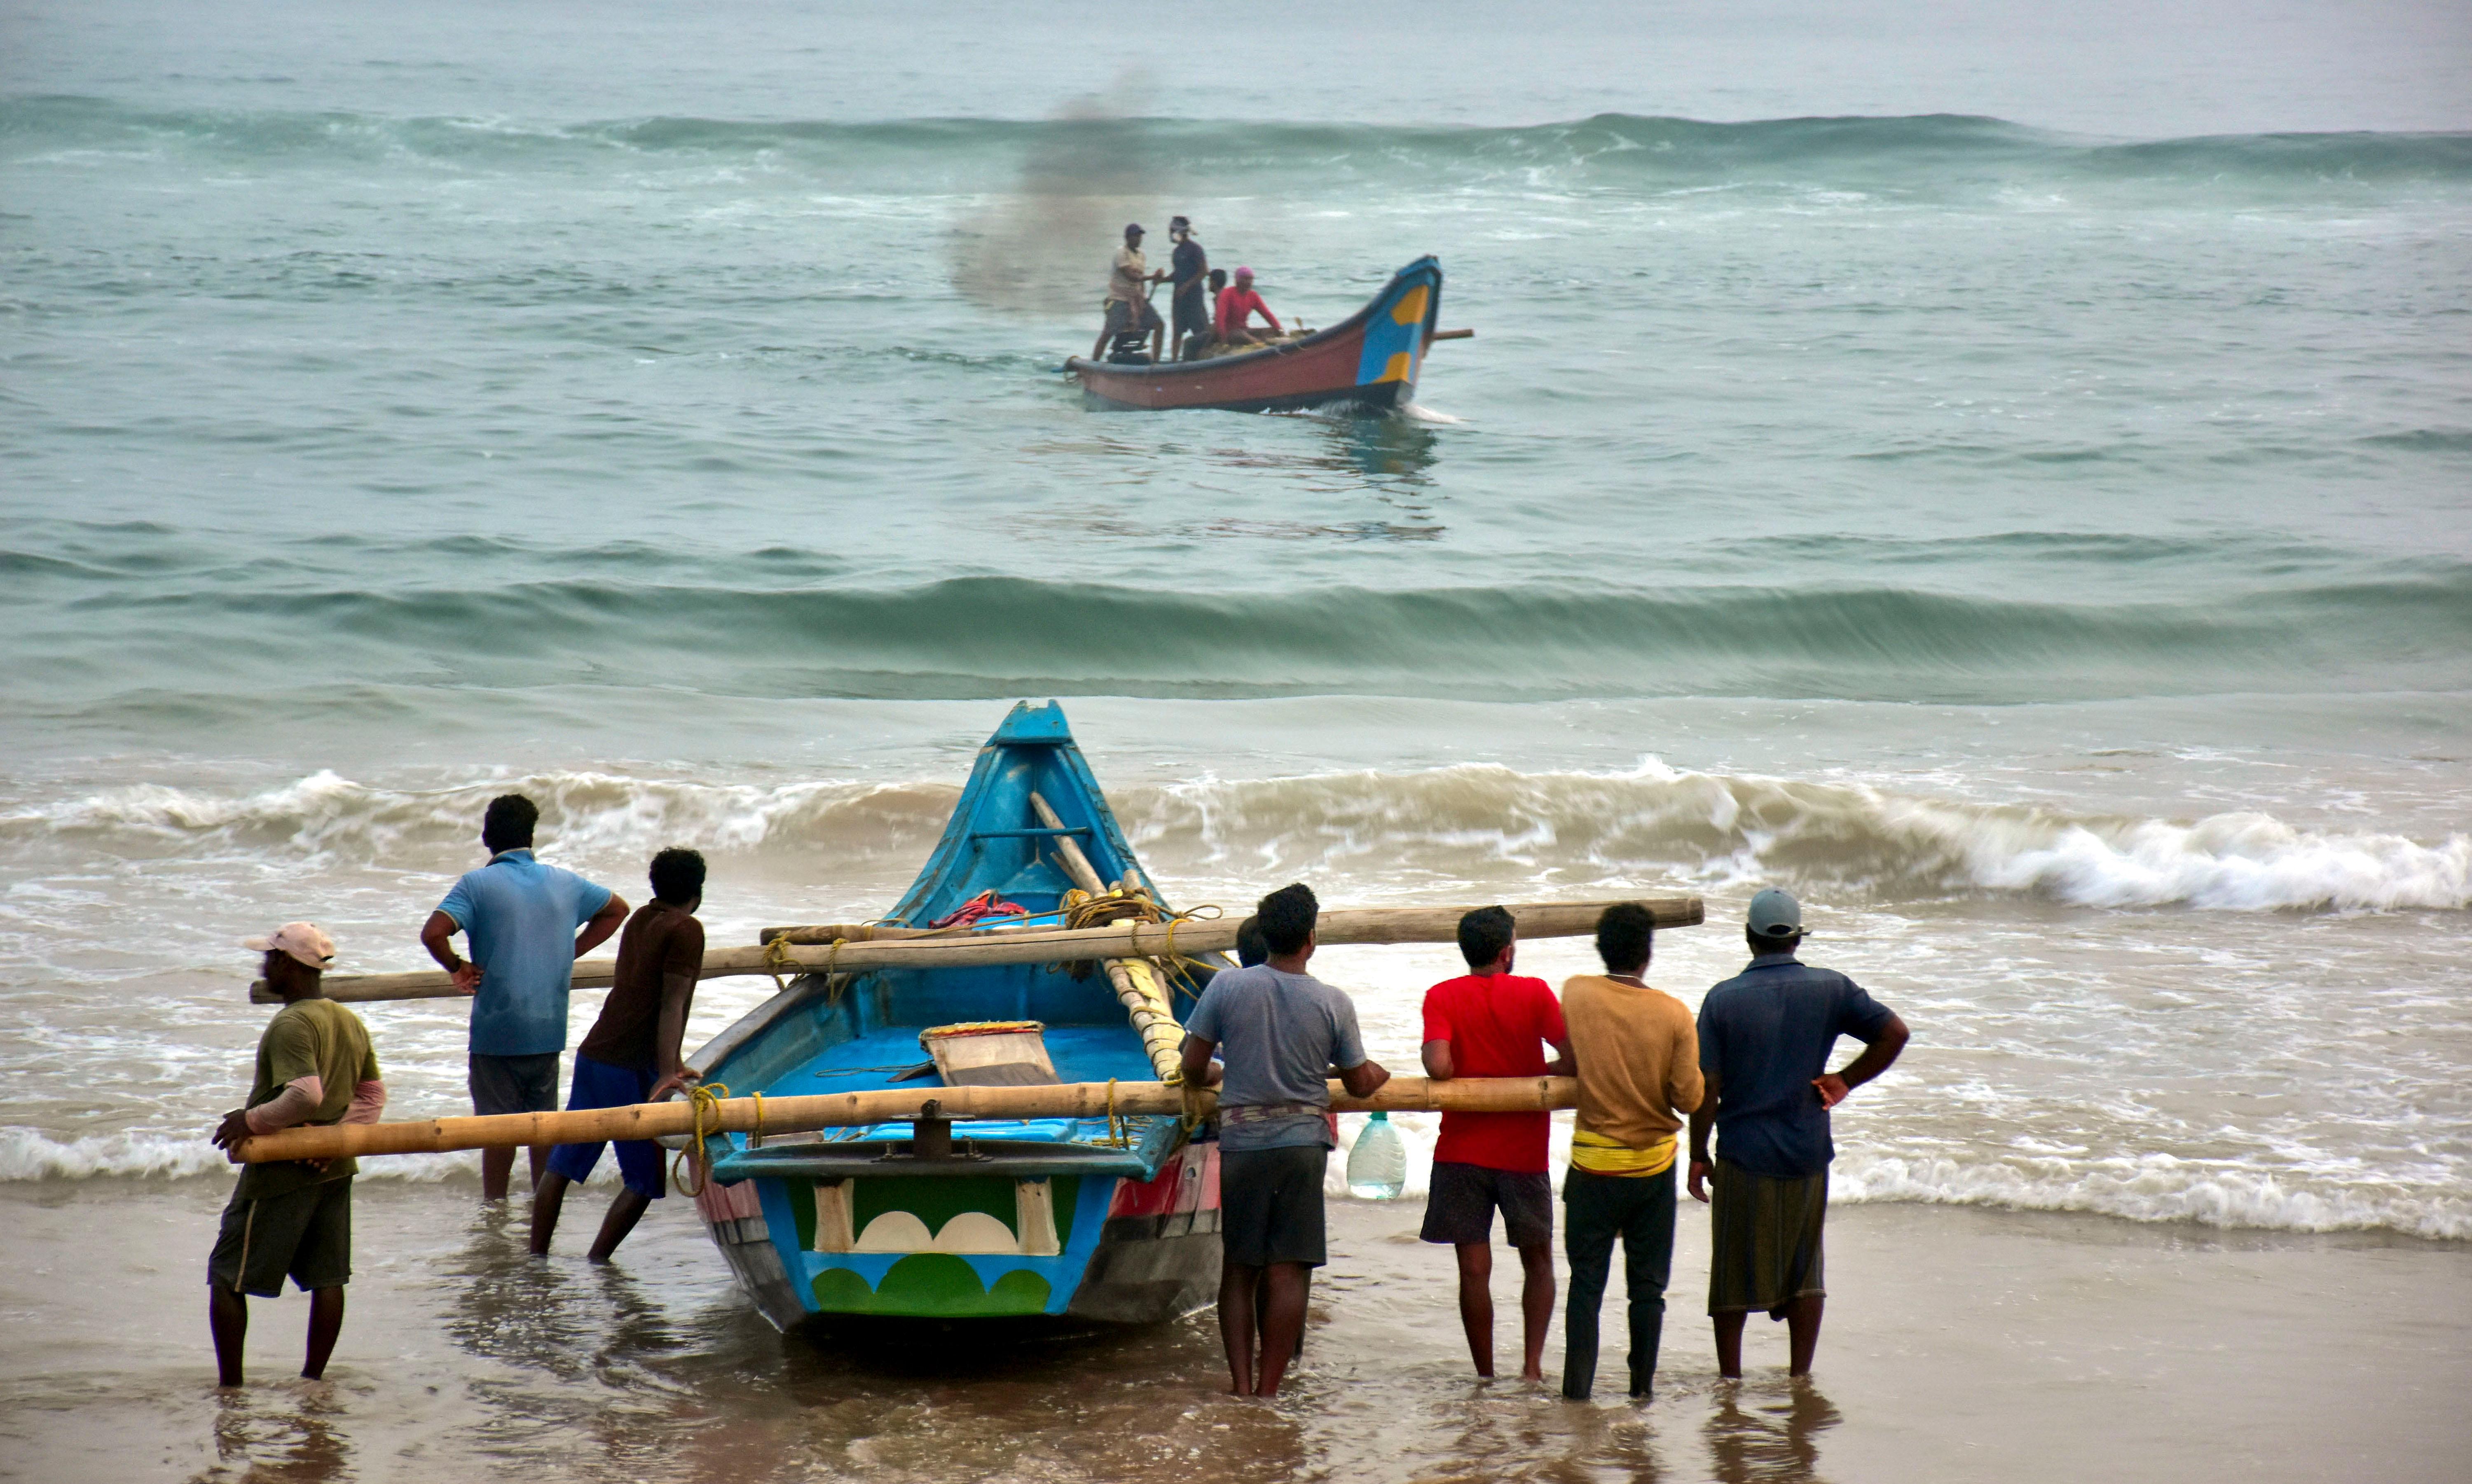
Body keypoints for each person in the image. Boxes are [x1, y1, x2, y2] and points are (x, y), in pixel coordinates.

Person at [1179, 883, 1389, 1398]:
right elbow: (1360, 1082)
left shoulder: (1227, 987)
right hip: (1301, 1146)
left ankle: (1241, 1385)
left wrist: (1216, 1075)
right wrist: (1380, 1074)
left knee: (1239, 1269)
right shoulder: (1332, 1001)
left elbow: (1191, 1066)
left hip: (1243, 1142)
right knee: (1288, 1272)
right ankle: (1270, 1391)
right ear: (1310, 939)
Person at [1688, 889, 1909, 1379]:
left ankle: (1731, 1379)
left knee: (1732, 1271)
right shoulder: (1831, 988)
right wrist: (1846, 1080)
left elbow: (1708, 1086)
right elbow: (1895, 1033)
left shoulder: (1723, 999)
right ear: (1797, 939)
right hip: (1808, 1149)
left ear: (1749, 938)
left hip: (1744, 1152)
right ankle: (1799, 1376)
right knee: (1805, 1269)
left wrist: (1698, 1153)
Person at [420, 794, 627, 1201]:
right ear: (531, 836)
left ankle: (495, 1214)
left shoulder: (476, 884)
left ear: (487, 837)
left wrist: (458, 966)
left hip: (497, 1032)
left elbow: (433, 934)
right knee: (542, 1131)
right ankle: (542, 1213)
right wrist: (569, 951)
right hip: (548, 1028)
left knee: (497, 1134)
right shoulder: (566, 882)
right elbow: (617, 909)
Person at [208, 923, 386, 1387]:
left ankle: (231, 1389)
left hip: (281, 1170)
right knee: (328, 1278)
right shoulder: (347, 1020)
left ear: (288, 965)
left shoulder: (291, 1023)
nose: (263, 965)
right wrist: (333, 1141)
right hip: (334, 1168)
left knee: (228, 1275)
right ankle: (313, 1383)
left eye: (270, 957)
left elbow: (306, 1094)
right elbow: (372, 1096)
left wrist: (250, 1121)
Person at [531, 847, 707, 1261]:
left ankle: (536, 1258)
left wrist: (673, 1062)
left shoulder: (641, 918)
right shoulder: (687, 929)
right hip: (629, 1068)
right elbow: (671, 1003)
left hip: (596, 1056)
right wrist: (667, 1072)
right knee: (645, 1180)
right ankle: (597, 1261)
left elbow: (643, 994)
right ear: (697, 891)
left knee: (562, 1165)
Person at [1419, 905, 1571, 1382]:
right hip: (1523, 1151)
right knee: (1538, 1261)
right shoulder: (1535, 992)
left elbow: (1439, 1067)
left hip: (1461, 1150)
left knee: (1473, 1270)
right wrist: (1536, 1073)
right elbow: (1575, 1057)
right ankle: (1532, 1368)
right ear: (1507, 952)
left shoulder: (1441, 995)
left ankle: (1485, 1374)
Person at [1558, 902, 1703, 1402]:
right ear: (1648, 953)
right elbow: (1689, 1098)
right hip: (1652, 1170)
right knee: (1647, 1291)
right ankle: (1641, 1392)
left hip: (1593, 1166)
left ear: (1601, 948)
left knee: (1585, 1286)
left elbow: (1571, 1056)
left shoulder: (1576, 992)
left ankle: (1577, 1392)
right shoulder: (1674, 1013)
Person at [1090, 221, 1166, 363]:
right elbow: (1131, 276)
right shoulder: (1121, 253)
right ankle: (1094, 363)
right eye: (1136, 236)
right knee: (1108, 332)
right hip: (1119, 299)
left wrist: (1150, 288)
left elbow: (1140, 280)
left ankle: (1156, 363)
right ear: (1128, 238)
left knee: (1159, 325)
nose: (1139, 239)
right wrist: (1152, 277)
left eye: (1140, 236)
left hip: (1137, 299)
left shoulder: (1142, 255)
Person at [1166, 215, 1210, 360]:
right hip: (1179, 299)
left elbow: (1203, 272)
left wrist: (1186, 287)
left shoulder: (1195, 249)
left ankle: (1203, 359)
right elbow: (1177, 274)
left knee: (1201, 331)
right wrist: (1162, 280)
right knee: (1177, 332)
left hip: (1194, 298)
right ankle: (1174, 362)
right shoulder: (1176, 252)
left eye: (1172, 231)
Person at [1214, 266, 1283, 347]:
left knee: (1273, 331)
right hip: (1230, 333)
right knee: (1240, 335)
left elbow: (1267, 314)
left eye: (1251, 279)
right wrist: (1223, 341)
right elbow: (1220, 319)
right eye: (1245, 279)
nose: (1249, 282)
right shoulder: (1227, 293)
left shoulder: (1253, 295)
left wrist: (1279, 330)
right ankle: (1261, 344)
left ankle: (1264, 342)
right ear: (1237, 280)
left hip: (1245, 330)